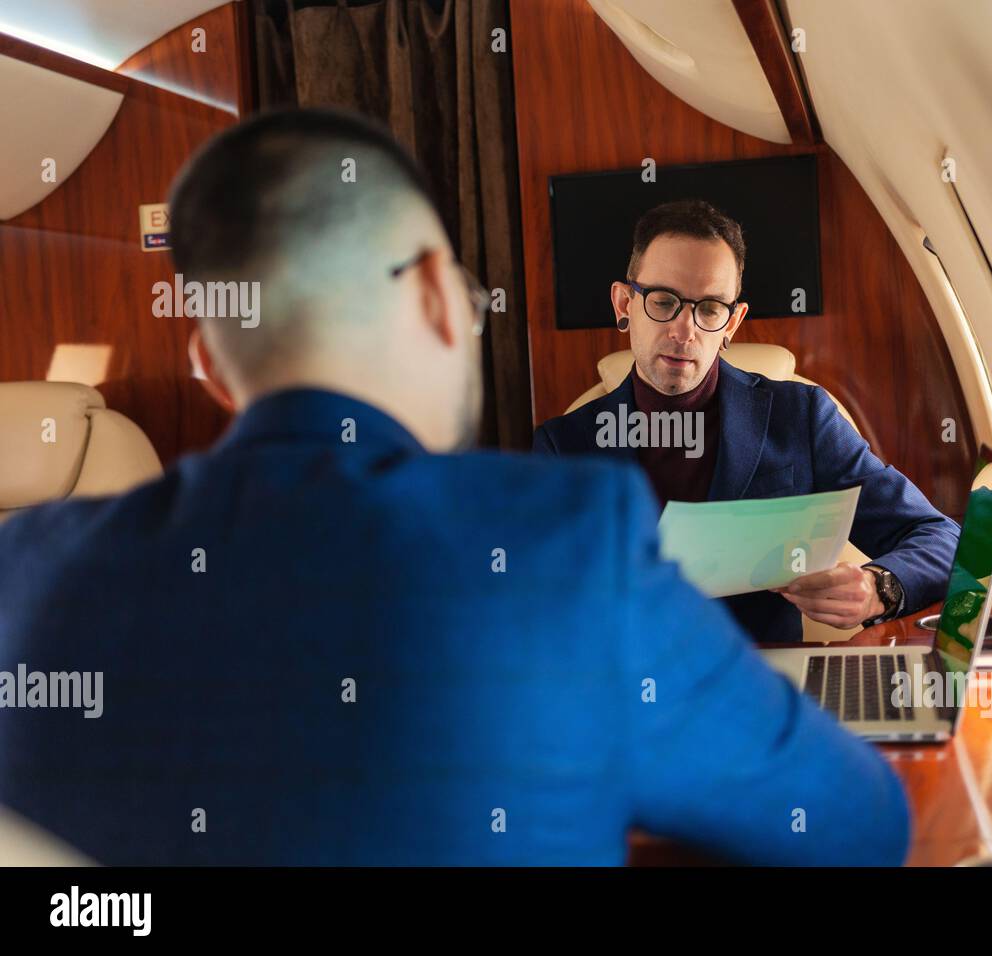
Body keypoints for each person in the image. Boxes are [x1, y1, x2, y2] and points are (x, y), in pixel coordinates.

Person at [0, 110, 909, 865]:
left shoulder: (21, 568)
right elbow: (857, 823)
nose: (685, 329)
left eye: (708, 310)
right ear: (440, 295)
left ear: (209, 364)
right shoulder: (569, 534)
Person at [534, 199, 961, 643]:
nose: (685, 331)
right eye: (663, 301)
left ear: (733, 322)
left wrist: (880, 588)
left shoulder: (802, 418)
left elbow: (941, 538)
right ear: (624, 304)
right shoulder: (563, 446)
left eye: (710, 308)